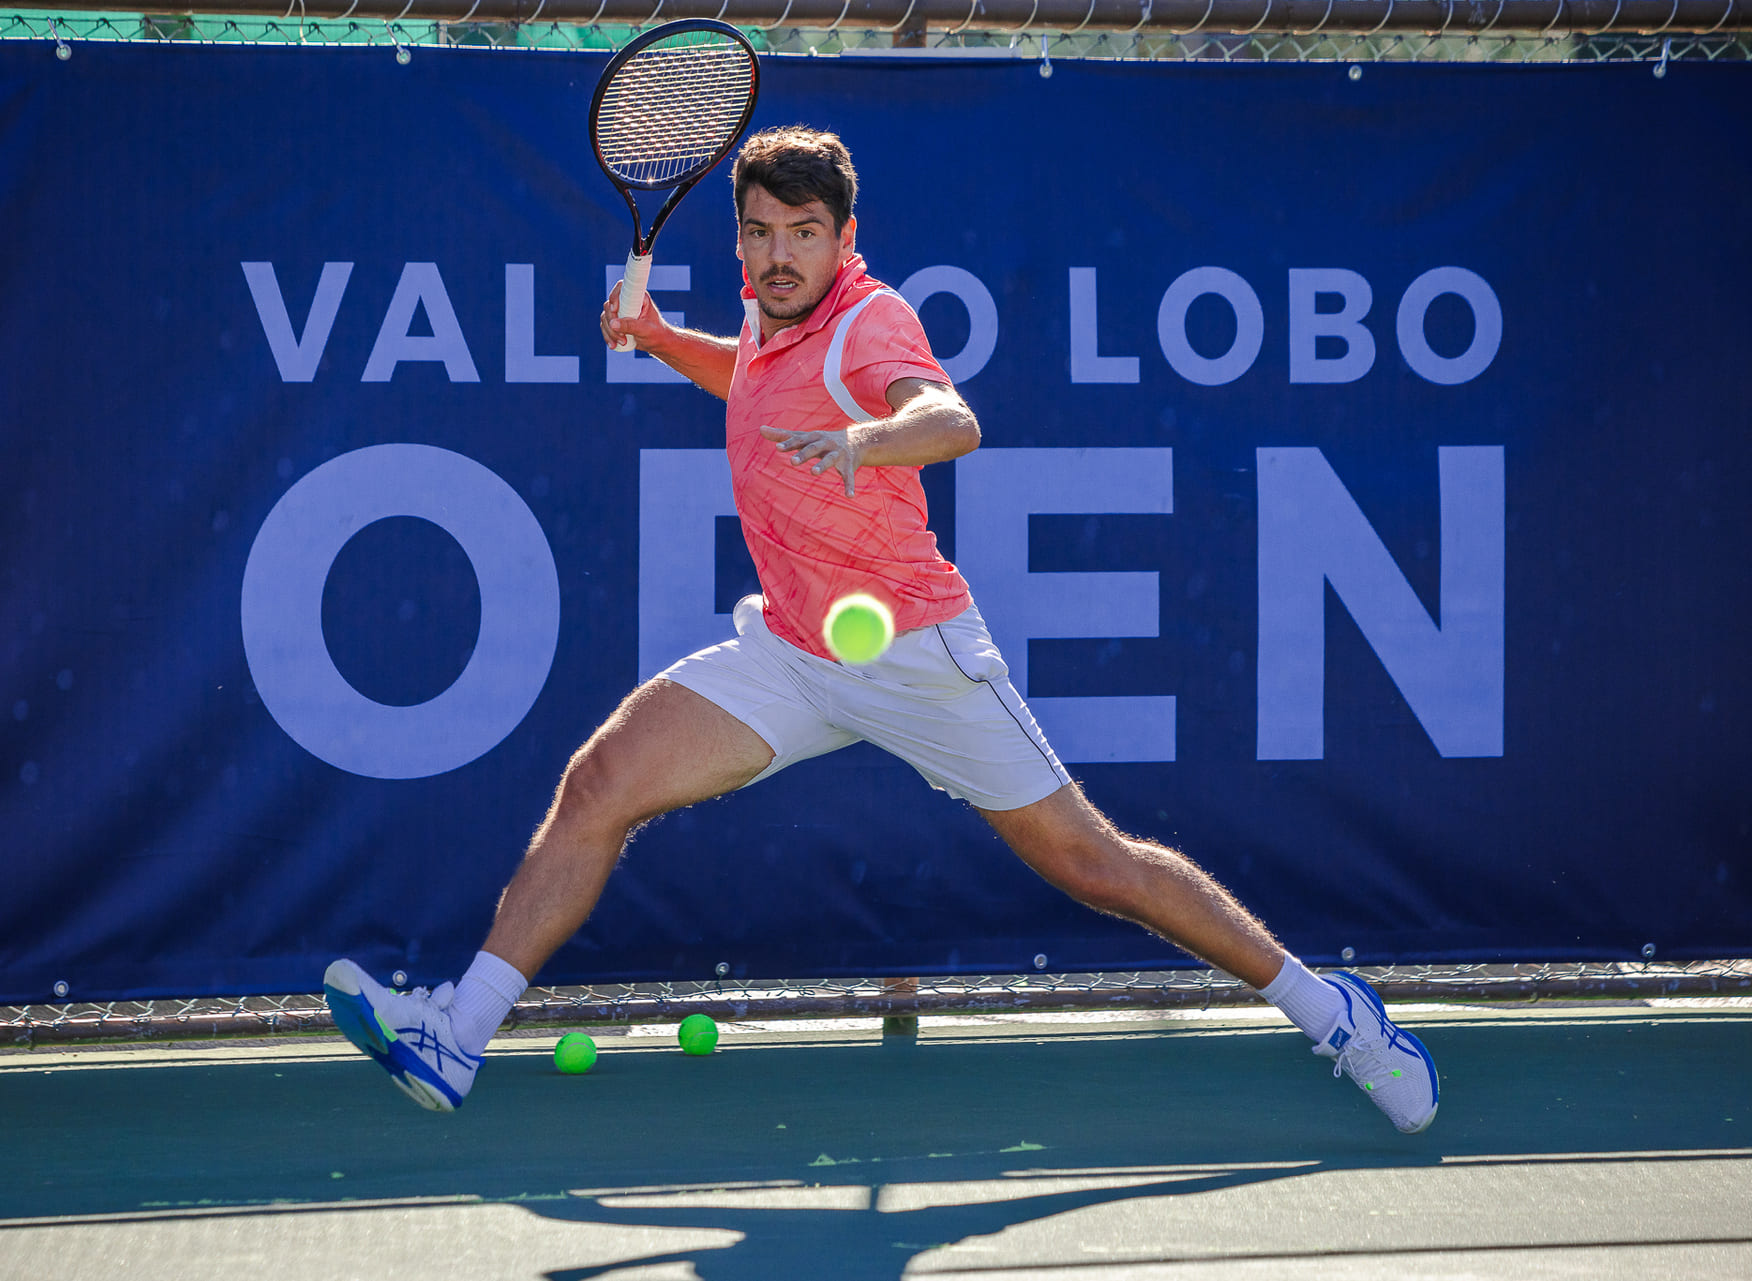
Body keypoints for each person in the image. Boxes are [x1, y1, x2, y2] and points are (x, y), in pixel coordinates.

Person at [322, 126, 1438, 1134]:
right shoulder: (768, 321)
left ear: (845, 237)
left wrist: (870, 444)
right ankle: (456, 1034)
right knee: (601, 777)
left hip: (913, 656)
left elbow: (948, 418)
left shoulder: (871, 318)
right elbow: (753, 386)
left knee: (1095, 865)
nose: (777, 257)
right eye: (759, 234)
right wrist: (663, 336)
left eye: (804, 235)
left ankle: (1333, 1014)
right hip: (798, 652)